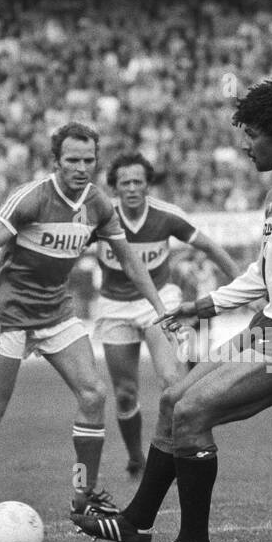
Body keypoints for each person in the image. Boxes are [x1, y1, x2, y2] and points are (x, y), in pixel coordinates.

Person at [72, 77, 272, 542]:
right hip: (271, 325)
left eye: (252, 134)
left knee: (194, 411)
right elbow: (261, 276)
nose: (245, 144)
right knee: (173, 399)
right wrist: (199, 307)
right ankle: (136, 523)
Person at [0, 122, 168, 517]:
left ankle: (84, 495)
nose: (81, 168)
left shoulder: (97, 205)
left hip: (57, 314)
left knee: (94, 394)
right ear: (55, 162)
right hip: (9, 317)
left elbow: (129, 260)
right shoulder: (30, 198)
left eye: (88, 160)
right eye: (72, 160)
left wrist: (161, 310)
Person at [98, 153, 241, 478]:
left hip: (159, 301)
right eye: (125, 183)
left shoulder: (166, 215)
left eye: (138, 182)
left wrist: (247, 283)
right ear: (115, 188)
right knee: (124, 393)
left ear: (148, 185)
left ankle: (178, 455)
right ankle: (136, 458)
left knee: (171, 380)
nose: (132, 188)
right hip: (114, 306)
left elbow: (211, 247)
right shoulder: (100, 216)